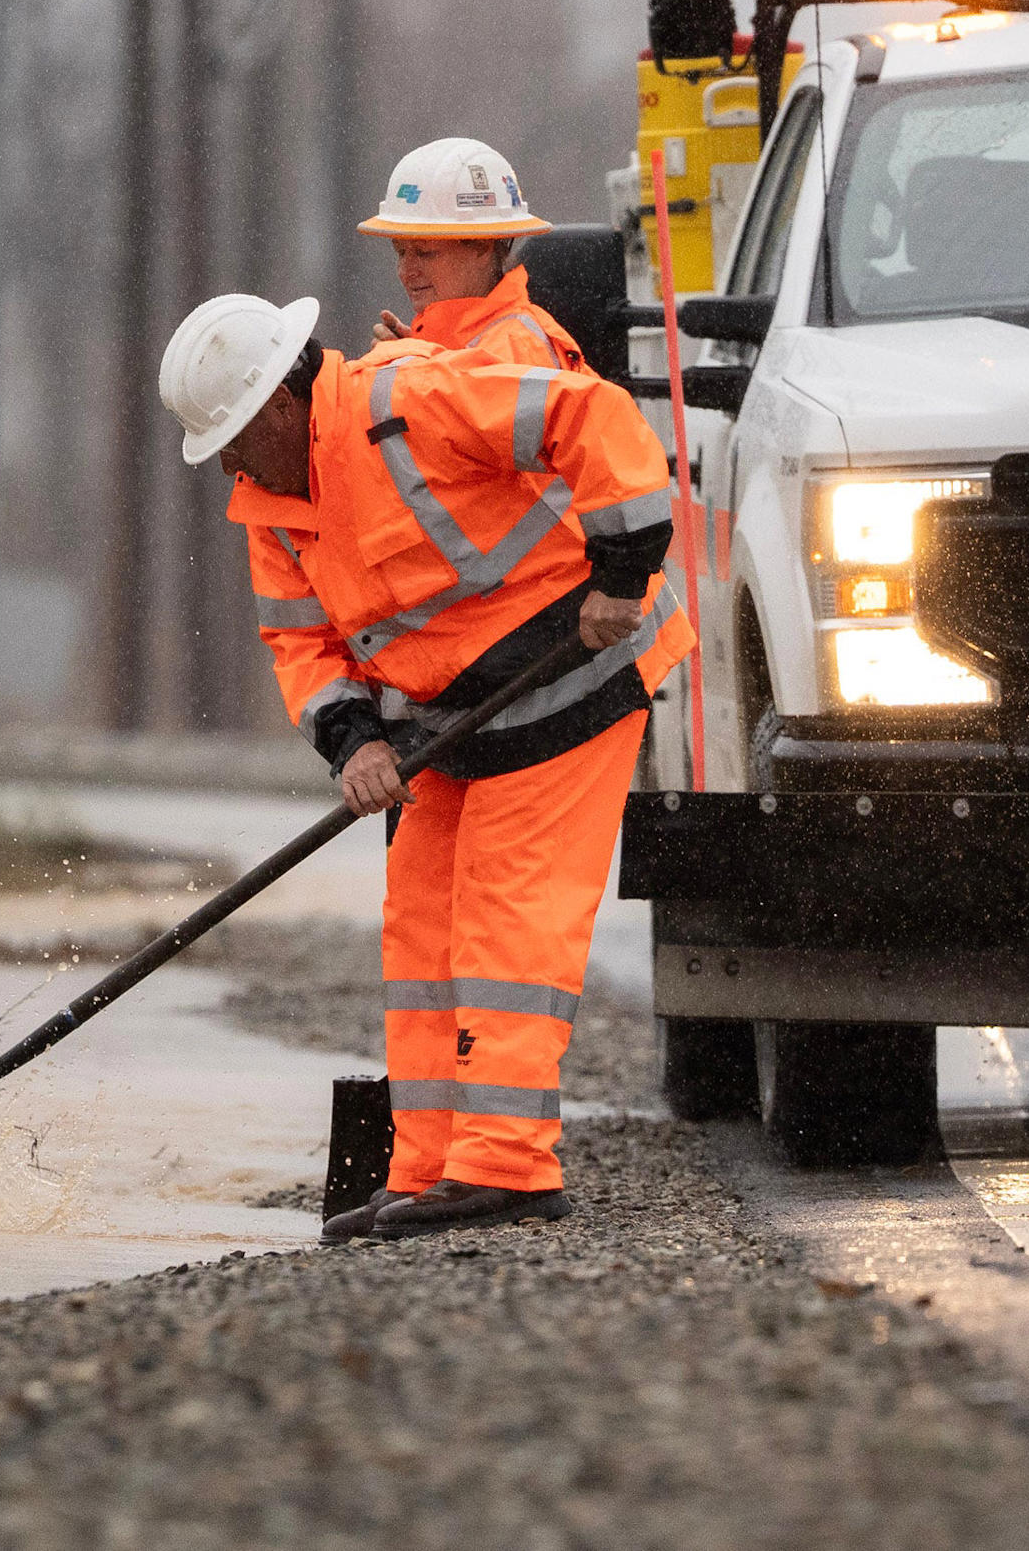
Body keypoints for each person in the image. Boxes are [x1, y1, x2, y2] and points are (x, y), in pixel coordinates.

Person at [156, 288, 680, 1242]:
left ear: (281, 399)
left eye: (233, 434)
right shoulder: (269, 506)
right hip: (445, 724)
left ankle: (506, 1166)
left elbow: (593, 416)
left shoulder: (409, 400)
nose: (227, 460)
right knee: (421, 929)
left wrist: (620, 573)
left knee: (505, 917)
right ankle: (426, 1171)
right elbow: (300, 643)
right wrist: (355, 743)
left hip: (573, 681)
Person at [360, 135, 585, 370]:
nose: (406, 272)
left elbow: (461, 394)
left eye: (425, 253)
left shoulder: (516, 351)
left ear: (481, 245)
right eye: (400, 253)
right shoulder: (482, 343)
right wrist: (417, 354)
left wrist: (407, 373)